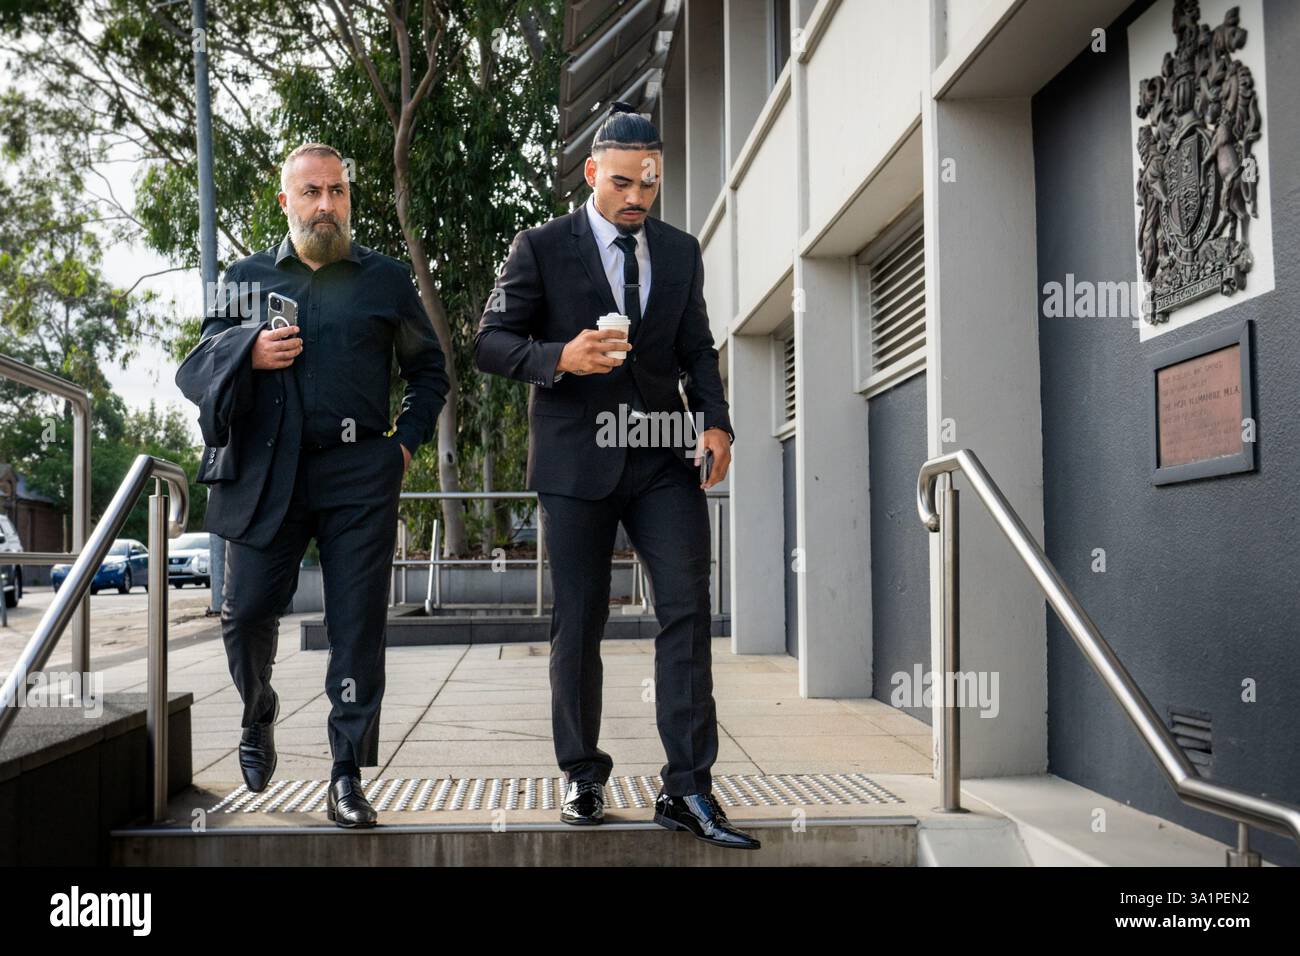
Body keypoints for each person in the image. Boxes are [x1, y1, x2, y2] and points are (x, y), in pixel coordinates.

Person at [474, 103, 759, 849]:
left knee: (688, 614)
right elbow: (489, 342)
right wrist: (558, 358)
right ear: (593, 172)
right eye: (624, 183)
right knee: (580, 621)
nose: (637, 198)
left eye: (651, 184)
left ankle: (689, 789)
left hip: (664, 459)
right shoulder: (539, 247)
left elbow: (699, 348)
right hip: (575, 460)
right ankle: (582, 773)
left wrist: (718, 421)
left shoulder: (681, 250)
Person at [175, 143, 449, 828]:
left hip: (359, 473)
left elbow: (430, 371)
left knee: (357, 628)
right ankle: (258, 707)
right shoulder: (244, 278)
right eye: (312, 193)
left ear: (349, 199)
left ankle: (347, 773)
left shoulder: (384, 281)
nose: (326, 205)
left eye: (337, 192)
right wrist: (250, 350)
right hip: (267, 472)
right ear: (285, 202)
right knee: (244, 614)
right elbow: (198, 365)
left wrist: (405, 447)